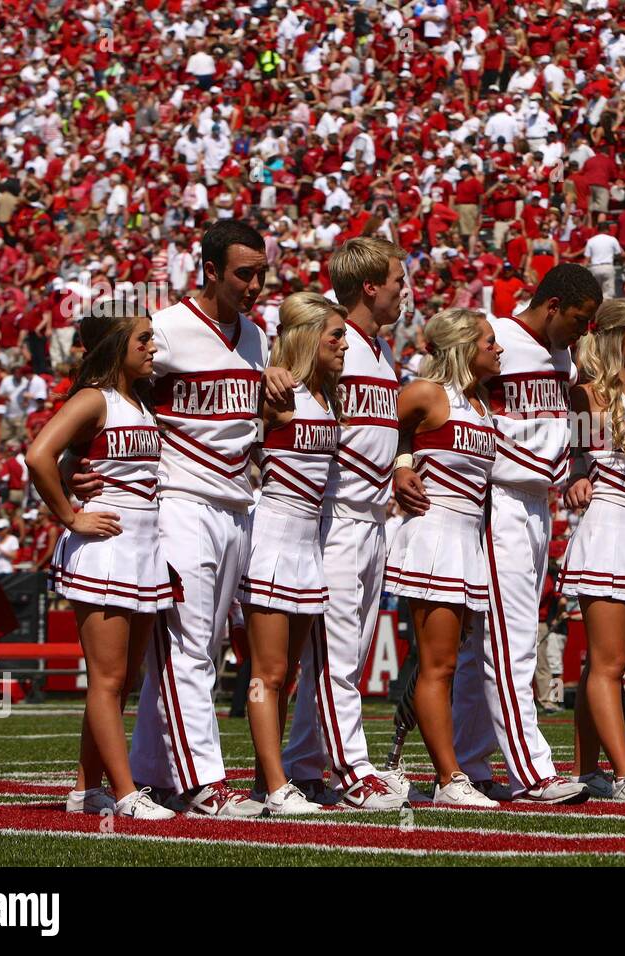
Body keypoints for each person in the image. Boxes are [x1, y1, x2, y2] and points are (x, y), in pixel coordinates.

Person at [78, 220, 294, 816]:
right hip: (177, 500)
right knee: (189, 647)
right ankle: (204, 781)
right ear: (210, 272)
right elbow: (97, 370)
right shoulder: (166, 329)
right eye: (243, 273)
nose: (254, 284)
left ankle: (154, 771)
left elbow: (245, 425)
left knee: (207, 642)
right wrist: (82, 459)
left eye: (261, 273)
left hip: (235, 500)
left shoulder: (255, 334)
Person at [440, 264, 600, 805]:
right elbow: (440, 396)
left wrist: (577, 462)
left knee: (487, 646)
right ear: (552, 305)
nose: (581, 332)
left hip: (537, 502)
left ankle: (469, 760)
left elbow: (578, 404)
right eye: (578, 319)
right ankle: (530, 771)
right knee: (510, 644)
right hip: (498, 498)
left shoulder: (562, 355)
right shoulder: (496, 338)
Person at [26, 303, 174, 820]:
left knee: (119, 682)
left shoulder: (143, 401)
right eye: (142, 341)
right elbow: (38, 454)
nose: (152, 348)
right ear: (116, 347)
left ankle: (87, 790)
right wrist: (70, 517)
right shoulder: (95, 399)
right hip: (105, 550)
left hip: (143, 547)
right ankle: (128, 794)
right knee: (108, 681)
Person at [281, 237, 411, 810]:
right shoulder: (334, 346)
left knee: (350, 652)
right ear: (370, 287)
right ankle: (353, 766)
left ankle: (306, 764)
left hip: (372, 515)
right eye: (398, 281)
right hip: (334, 514)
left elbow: (386, 429)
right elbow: (281, 395)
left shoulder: (380, 352)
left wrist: (401, 465)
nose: (405, 291)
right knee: (335, 652)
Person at [385, 308, 502, 807]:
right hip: (434, 536)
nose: (498, 350)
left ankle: (414, 763)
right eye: (489, 342)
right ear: (462, 347)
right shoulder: (428, 393)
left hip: (468, 537)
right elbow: (374, 430)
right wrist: (399, 464)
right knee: (438, 666)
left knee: (445, 664)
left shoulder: (479, 402)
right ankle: (450, 780)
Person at [236, 292, 348, 816]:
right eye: (335, 336)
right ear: (308, 339)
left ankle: (267, 782)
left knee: (289, 676)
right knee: (268, 673)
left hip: (309, 543)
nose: (345, 345)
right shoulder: (277, 392)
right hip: (274, 538)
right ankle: (279, 787)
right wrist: (265, 375)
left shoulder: (328, 396)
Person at [558, 299, 625, 804]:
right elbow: (565, 448)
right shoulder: (586, 393)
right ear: (616, 338)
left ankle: (587, 771)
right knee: (608, 664)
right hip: (607, 532)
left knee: (603, 664)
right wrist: (576, 475)